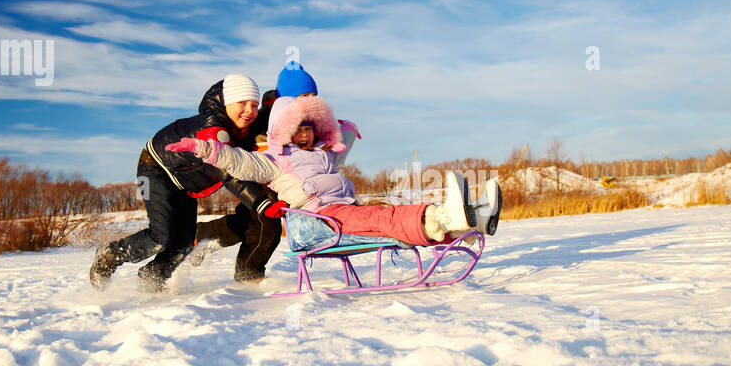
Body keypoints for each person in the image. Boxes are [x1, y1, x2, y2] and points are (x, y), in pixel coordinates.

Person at [166, 95, 502, 249]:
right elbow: (238, 161)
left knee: (385, 213)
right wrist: (203, 148)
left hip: (345, 213)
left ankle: (470, 218)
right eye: (298, 128)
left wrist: (349, 131)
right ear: (283, 132)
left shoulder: (324, 156)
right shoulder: (274, 160)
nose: (305, 134)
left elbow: (342, 141)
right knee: (381, 221)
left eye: (310, 128)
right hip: (320, 221)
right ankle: (444, 217)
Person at [89, 74, 282, 292]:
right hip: (156, 170)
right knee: (160, 238)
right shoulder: (213, 127)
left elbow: (267, 116)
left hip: (185, 180)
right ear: (227, 102)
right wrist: (260, 202)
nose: (249, 110)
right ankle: (110, 254)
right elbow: (227, 169)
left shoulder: (243, 126)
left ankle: (151, 280)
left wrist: (283, 99)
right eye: (242, 103)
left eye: (254, 105)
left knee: (184, 244)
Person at [189, 60, 359, 264]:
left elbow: (319, 144)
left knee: (247, 223)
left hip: (285, 179)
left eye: (314, 96)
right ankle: (249, 277)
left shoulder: (307, 116)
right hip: (262, 174)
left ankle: (202, 236)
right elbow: (256, 137)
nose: (310, 100)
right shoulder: (272, 114)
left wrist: (341, 130)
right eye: (305, 96)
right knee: (265, 229)